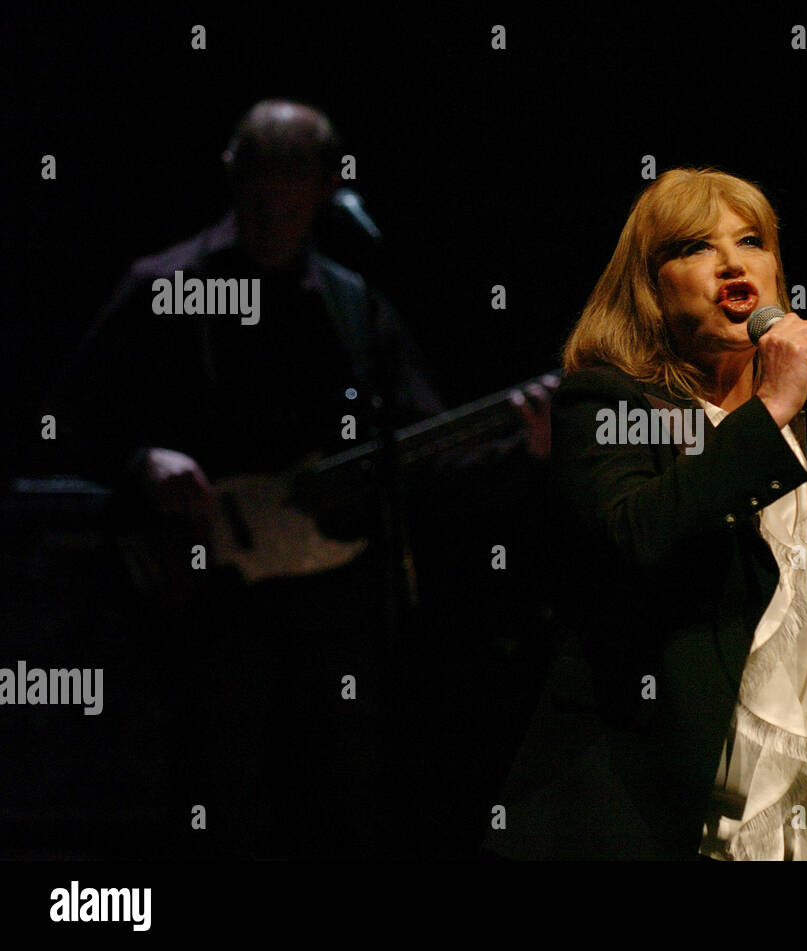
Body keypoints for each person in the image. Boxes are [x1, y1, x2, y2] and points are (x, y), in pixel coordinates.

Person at [33, 99, 553, 859]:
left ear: (323, 187)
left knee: (337, 809)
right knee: (217, 803)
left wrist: (525, 442)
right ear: (230, 175)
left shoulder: (352, 303)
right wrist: (143, 460)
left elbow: (425, 455)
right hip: (200, 612)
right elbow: (62, 423)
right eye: (259, 177)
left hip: (333, 617)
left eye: (293, 178)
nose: (274, 199)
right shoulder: (162, 288)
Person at [489, 168, 807, 861]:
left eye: (751, 240)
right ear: (649, 285)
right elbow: (634, 538)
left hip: (802, 832)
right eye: (696, 246)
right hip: (655, 826)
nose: (732, 262)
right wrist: (768, 411)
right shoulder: (609, 404)